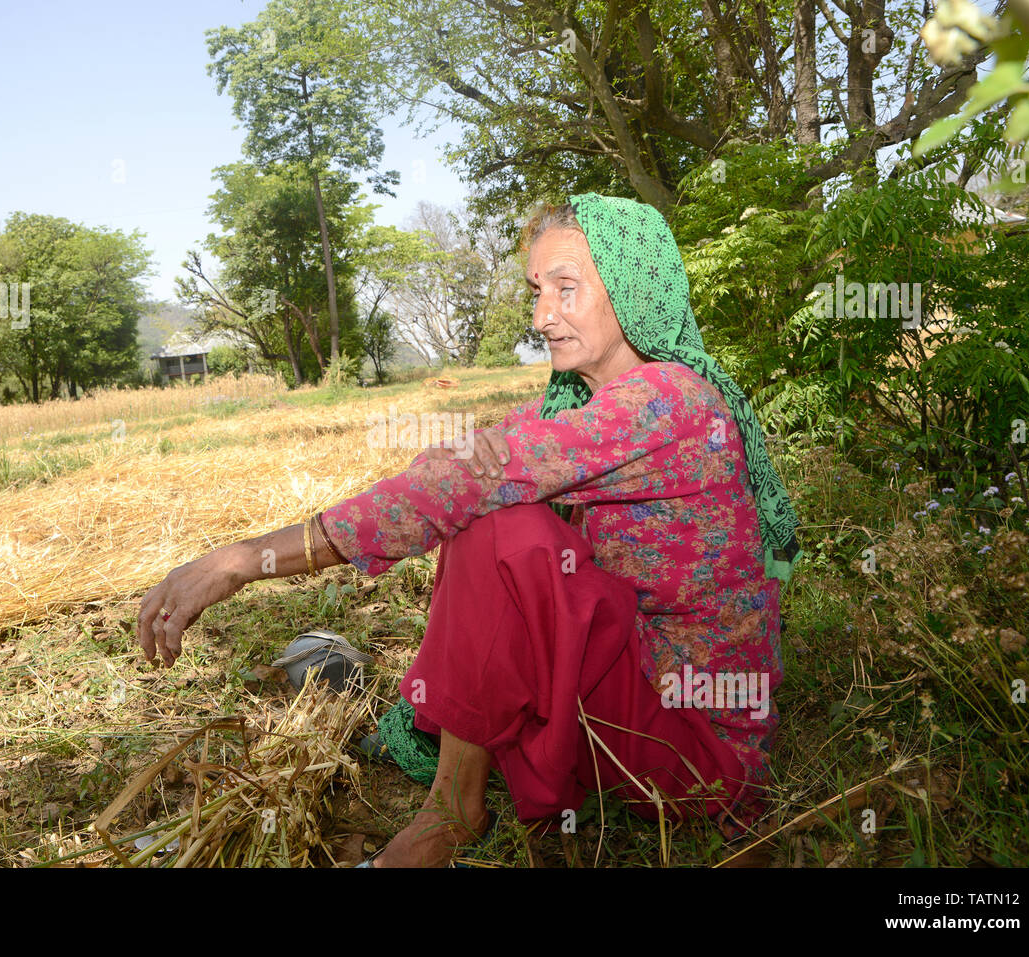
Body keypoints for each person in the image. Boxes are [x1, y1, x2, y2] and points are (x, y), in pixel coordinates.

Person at [136, 193, 802, 868]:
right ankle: (448, 764)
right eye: (538, 292)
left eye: (567, 290)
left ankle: (449, 813)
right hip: (638, 707)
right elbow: (464, 460)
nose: (543, 316)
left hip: (694, 749)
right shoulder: (584, 400)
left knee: (498, 528)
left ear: (630, 289)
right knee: (491, 513)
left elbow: (465, 485)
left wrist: (247, 559)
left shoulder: (667, 402)